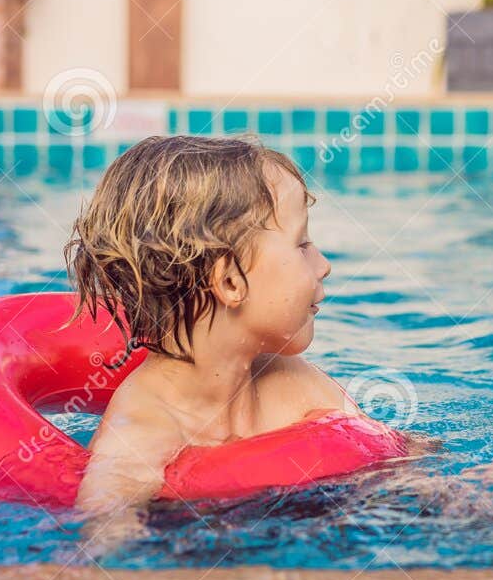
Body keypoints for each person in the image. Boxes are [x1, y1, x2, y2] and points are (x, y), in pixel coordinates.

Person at [64, 135, 379, 544]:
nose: (324, 265)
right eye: (302, 245)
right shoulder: (146, 425)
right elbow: (105, 528)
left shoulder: (295, 383)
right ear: (230, 282)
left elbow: (390, 454)